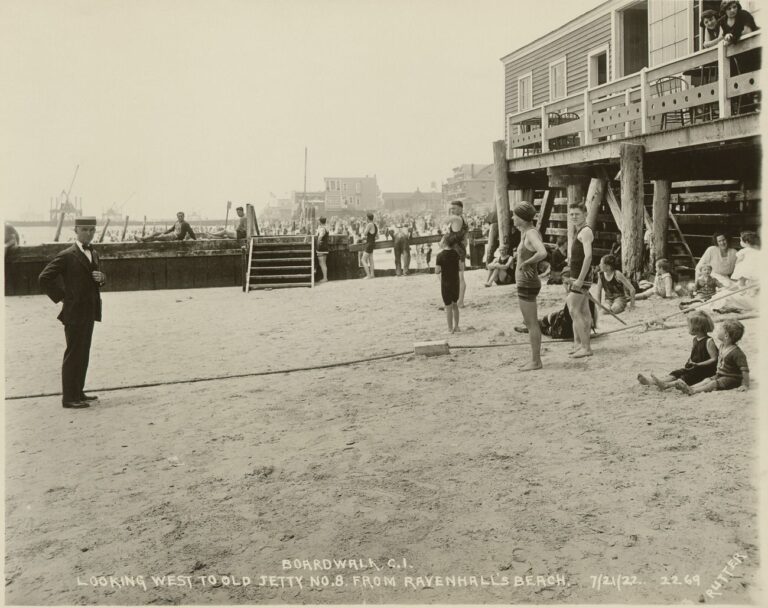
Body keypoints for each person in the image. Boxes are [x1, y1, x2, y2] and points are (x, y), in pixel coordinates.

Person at [38, 217, 106, 409]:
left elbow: (95, 279)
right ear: (76, 230)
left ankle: (79, 392)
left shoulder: (94, 253)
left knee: (83, 352)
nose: (89, 233)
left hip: (90, 310)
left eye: (92, 230)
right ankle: (69, 398)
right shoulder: (67, 255)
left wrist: (102, 278)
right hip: (74, 312)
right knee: (73, 353)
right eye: (85, 230)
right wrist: (63, 297)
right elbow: (44, 278)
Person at [637, 311, 718, 389]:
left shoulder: (708, 341)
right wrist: (690, 361)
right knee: (678, 372)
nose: (688, 327)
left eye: (689, 325)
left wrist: (699, 364)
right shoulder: (695, 339)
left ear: (697, 327)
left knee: (686, 377)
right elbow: (695, 354)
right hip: (694, 368)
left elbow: (714, 359)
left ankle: (666, 385)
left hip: (705, 371)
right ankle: (654, 382)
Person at [513, 201, 548, 371]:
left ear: (522, 218)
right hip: (526, 283)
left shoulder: (531, 233)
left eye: (515, 215)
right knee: (530, 323)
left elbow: (542, 252)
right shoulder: (527, 232)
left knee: (531, 324)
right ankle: (534, 359)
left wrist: (526, 263)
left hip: (528, 283)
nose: (513, 218)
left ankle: (536, 361)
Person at [672, 319, 750, 394]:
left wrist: (745, 385)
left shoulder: (736, 353)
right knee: (707, 380)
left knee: (713, 384)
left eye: (720, 330)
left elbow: (744, 370)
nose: (717, 331)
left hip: (732, 378)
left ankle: (694, 391)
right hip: (720, 375)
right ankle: (691, 387)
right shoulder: (722, 346)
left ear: (726, 336)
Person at [565, 203, 594, 358]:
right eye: (571, 214)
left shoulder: (586, 231)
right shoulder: (580, 232)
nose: (574, 217)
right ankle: (579, 344)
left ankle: (586, 347)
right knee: (583, 311)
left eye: (577, 214)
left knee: (573, 309)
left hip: (581, 278)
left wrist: (580, 280)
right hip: (577, 276)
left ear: (585, 214)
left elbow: (588, 256)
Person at [435, 234, 460, 333]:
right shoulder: (456, 254)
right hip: (456, 282)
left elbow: (437, 271)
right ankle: (457, 326)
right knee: (455, 305)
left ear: (444, 242)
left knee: (448, 307)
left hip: (445, 283)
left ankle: (450, 329)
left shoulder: (439, 256)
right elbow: (460, 267)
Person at [447, 200, 469, 307]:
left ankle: (459, 301)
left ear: (460, 208)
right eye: (451, 208)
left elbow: (441, 221)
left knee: (458, 277)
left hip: (455, 250)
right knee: (458, 276)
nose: (452, 210)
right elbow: (465, 239)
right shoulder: (463, 219)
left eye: (454, 208)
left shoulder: (456, 218)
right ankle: (458, 301)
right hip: (460, 249)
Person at [361, 212, 377, 279]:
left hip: (369, 244)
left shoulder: (369, 224)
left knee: (363, 260)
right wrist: (369, 237)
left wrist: (363, 226)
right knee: (371, 259)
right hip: (372, 243)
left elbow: (364, 233)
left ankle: (368, 275)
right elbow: (377, 237)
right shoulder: (375, 225)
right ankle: (372, 274)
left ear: (367, 218)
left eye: (366, 218)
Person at [315, 216, 330, 283]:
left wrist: (317, 240)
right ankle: (325, 277)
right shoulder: (326, 227)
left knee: (322, 263)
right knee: (324, 263)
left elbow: (320, 236)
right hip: (325, 247)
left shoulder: (321, 228)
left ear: (320, 221)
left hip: (321, 247)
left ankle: (325, 278)